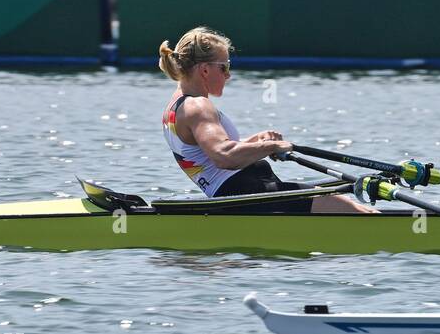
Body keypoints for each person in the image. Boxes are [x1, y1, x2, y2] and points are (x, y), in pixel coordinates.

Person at [157, 27, 374, 213]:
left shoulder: (173, 108)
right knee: (362, 214)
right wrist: (272, 145)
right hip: (249, 193)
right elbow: (224, 157)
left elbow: (209, 155)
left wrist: (257, 142)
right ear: (204, 69)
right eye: (224, 67)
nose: (228, 75)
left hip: (246, 194)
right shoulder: (197, 106)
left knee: (354, 208)